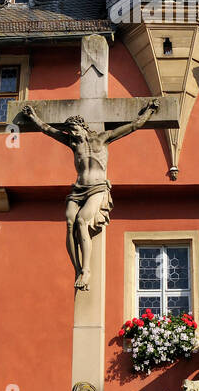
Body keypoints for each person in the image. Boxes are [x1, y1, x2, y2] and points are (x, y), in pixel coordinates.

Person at [18, 98, 161, 290]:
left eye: (74, 130)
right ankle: (77, 268)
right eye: (70, 131)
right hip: (77, 189)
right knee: (69, 223)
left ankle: (86, 270)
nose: (72, 134)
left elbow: (133, 126)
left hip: (97, 188)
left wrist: (150, 111)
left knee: (82, 221)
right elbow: (48, 130)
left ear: (83, 127)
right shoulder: (72, 143)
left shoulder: (102, 138)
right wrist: (33, 117)